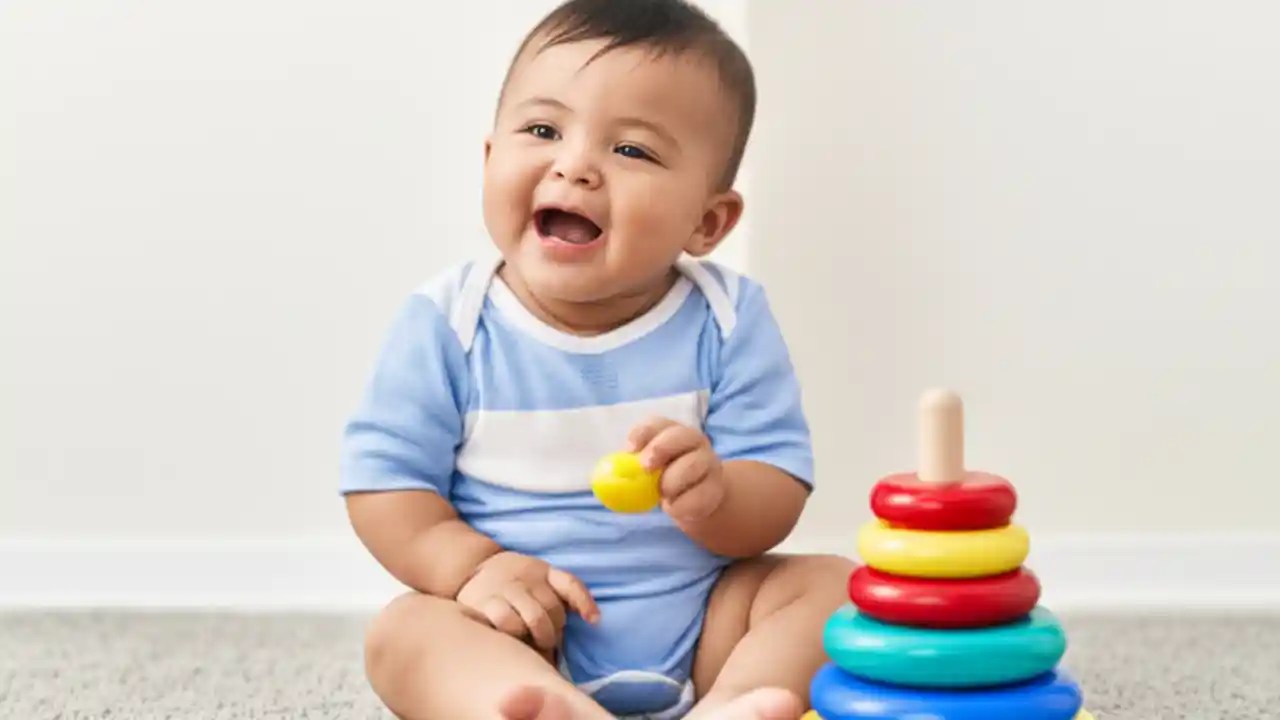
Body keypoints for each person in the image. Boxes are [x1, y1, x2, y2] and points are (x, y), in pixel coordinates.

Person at [339, 1, 853, 717]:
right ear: (490, 160)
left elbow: (777, 484)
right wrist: (474, 569)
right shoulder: (449, 323)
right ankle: (551, 707)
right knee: (405, 633)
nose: (574, 165)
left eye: (632, 150)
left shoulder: (728, 318)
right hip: (525, 632)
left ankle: (736, 703)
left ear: (707, 222)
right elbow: (386, 484)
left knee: (836, 591)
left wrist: (718, 498)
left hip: (707, 626)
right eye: (543, 130)